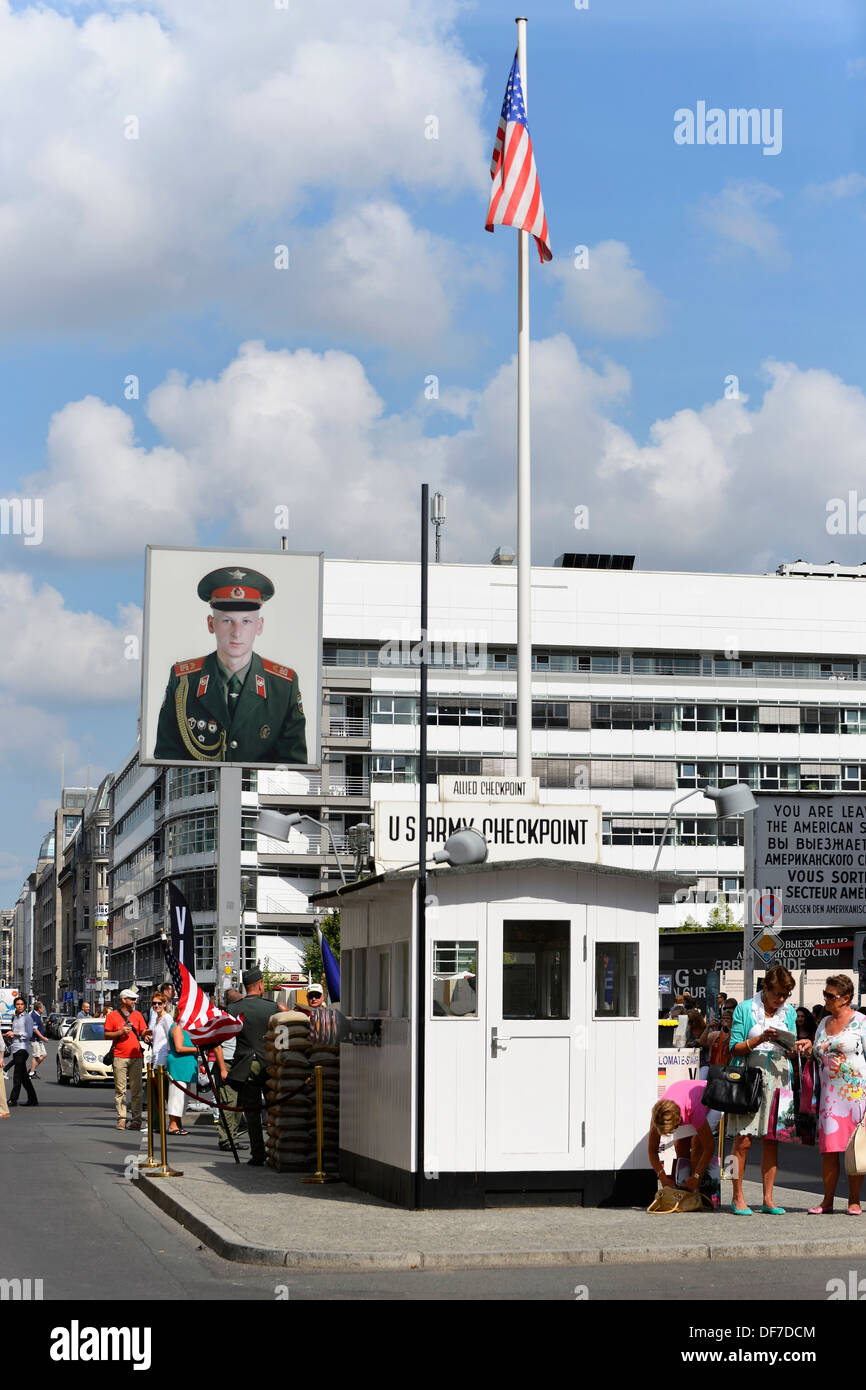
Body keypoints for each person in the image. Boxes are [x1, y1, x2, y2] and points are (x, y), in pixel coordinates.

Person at [153, 566, 307, 764]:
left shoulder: (283, 686)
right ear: (211, 624)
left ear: (259, 626)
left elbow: (293, 767)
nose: (236, 632)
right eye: (227, 621)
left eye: (246, 622)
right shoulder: (184, 681)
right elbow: (167, 761)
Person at [727, 964, 798, 1215]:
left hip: (780, 1076)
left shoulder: (787, 1011)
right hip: (750, 1077)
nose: (781, 999)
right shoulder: (746, 1008)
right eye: (777, 993)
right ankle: (736, 1196)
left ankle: (768, 1199)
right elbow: (733, 1047)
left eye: (785, 995)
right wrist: (760, 1039)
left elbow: (792, 1047)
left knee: (773, 1140)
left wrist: (794, 1047)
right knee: (742, 1140)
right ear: (765, 988)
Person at [798, 974, 866, 1214]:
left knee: (855, 1149)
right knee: (829, 1149)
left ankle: (854, 1199)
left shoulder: (861, 1021)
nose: (825, 999)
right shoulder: (824, 1021)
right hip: (829, 1097)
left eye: (830, 995)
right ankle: (827, 1201)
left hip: (857, 1096)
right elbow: (817, 1054)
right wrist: (808, 1047)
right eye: (825, 994)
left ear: (846, 998)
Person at [226, 968, 280, 1166]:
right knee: (274, 1109)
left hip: (245, 1065)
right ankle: (277, 1150)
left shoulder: (234, 1009)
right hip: (268, 1064)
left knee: (252, 1112)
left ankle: (257, 1154)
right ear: (260, 984)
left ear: (244, 986)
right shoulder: (271, 1008)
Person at [648, 1079, 718, 1194]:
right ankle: (685, 1185)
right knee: (680, 1145)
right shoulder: (658, 1116)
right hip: (683, 1096)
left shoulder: (694, 1109)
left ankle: (696, 1189)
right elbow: (652, 1150)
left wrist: (696, 1176)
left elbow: (710, 1147)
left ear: (678, 1119)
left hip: (712, 1096)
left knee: (698, 1143)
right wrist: (663, 1178)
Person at [104, 989, 152, 1130]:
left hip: (136, 1056)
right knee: (120, 1090)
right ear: (124, 1000)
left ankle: (136, 1120)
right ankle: (122, 1119)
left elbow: (142, 1031)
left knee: (136, 1090)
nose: (134, 1001)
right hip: (119, 1056)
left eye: (135, 999)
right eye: (131, 999)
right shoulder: (113, 1016)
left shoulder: (137, 1015)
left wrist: (146, 1034)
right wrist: (120, 1032)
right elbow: (106, 1035)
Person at [214, 988, 248, 1153]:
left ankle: (233, 1138)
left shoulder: (240, 1019)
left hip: (238, 1063)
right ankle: (226, 1140)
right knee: (229, 1104)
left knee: (238, 1105)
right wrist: (222, 1068)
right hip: (226, 1063)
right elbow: (217, 1045)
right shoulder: (223, 1019)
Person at [3, 995, 47, 1107]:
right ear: (14, 1006)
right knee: (23, 1077)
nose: (20, 1006)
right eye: (18, 1004)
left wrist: (15, 1034)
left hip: (23, 1049)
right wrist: (9, 1035)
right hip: (16, 1048)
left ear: (25, 1006)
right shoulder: (15, 1017)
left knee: (17, 1075)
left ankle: (13, 1100)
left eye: (22, 1004)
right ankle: (33, 1099)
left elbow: (29, 1034)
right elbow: (16, 1032)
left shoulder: (27, 1018)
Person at [166, 1018, 199, 1137]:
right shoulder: (177, 1027)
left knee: (182, 1097)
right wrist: (197, 1049)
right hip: (179, 1065)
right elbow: (179, 1048)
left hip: (185, 1066)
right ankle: (173, 1125)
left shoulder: (185, 1028)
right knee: (177, 1096)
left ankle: (176, 1124)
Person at [28, 1002, 48, 1079]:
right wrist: (43, 1037)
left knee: (44, 1054)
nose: (43, 1009)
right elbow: (34, 1029)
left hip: (38, 1039)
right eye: (42, 1008)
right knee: (36, 1056)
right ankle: (31, 1073)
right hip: (34, 1039)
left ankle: (31, 1070)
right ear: (39, 1008)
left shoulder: (37, 1015)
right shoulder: (34, 1015)